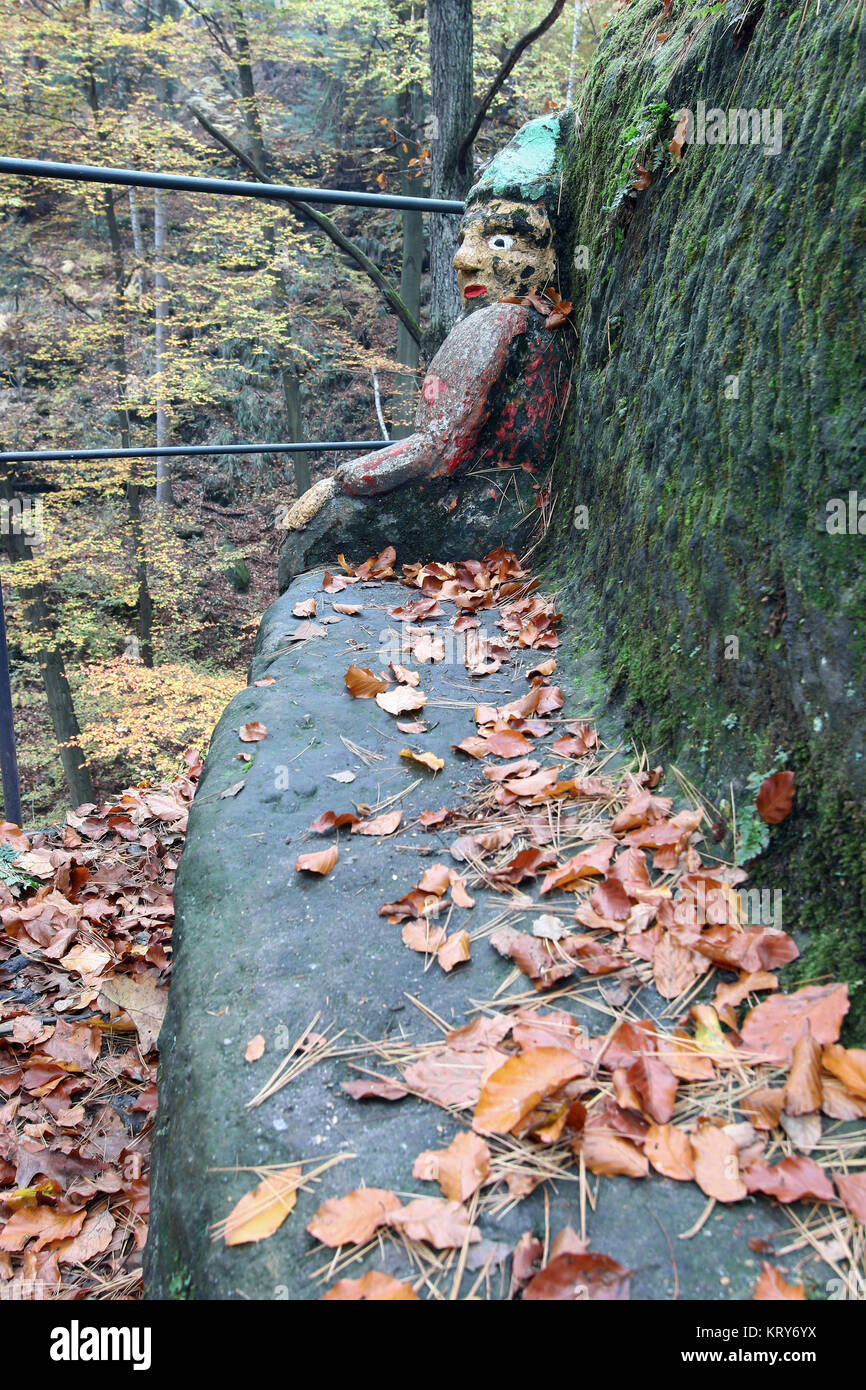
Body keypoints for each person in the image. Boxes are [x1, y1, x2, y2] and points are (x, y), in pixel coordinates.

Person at [279, 111, 576, 551]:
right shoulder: (547, 324)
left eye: (499, 241)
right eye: (464, 240)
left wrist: (339, 482)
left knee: (317, 532)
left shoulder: (500, 321)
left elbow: (436, 451)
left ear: (551, 254)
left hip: (479, 510)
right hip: (516, 504)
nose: (462, 260)